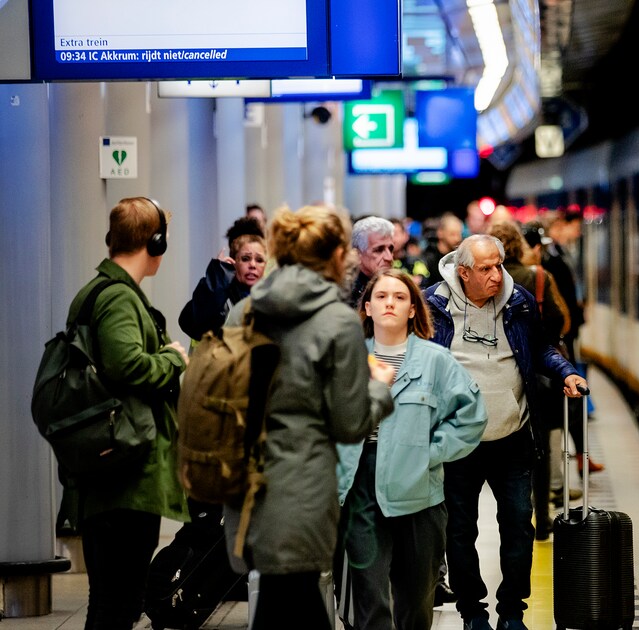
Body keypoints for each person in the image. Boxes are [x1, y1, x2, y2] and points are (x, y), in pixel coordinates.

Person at [224, 204, 396, 630]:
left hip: (245, 481)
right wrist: (379, 385)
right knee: (299, 601)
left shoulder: (244, 311)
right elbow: (350, 423)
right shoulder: (337, 321)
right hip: (304, 483)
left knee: (275, 601)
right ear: (337, 256)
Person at [425, 235, 586, 630]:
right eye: (486, 269)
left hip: (512, 435)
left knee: (518, 524)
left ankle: (512, 611)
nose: (497, 275)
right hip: (456, 440)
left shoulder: (519, 302)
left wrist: (566, 371)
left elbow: (541, 349)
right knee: (460, 531)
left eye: (498, 265)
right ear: (463, 272)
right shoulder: (433, 305)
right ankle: (473, 612)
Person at [58, 197, 190, 629]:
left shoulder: (102, 291)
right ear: (156, 243)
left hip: (110, 466)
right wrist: (173, 360)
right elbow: (125, 365)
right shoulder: (117, 298)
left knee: (112, 599)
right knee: (118, 602)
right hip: (123, 474)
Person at [337, 270, 487, 630]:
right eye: (382, 296)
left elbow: (472, 418)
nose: (390, 302)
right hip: (361, 488)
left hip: (419, 493)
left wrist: (429, 453)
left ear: (412, 310)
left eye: (400, 297)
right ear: (368, 308)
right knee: (368, 597)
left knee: (417, 598)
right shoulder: (350, 359)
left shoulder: (436, 361)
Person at [487, 221, 574, 539]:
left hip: (503, 381)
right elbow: (560, 319)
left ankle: (513, 515)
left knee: (509, 456)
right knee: (542, 448)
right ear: (519, 245)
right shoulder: (537, 277)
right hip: (539, 377)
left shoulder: (483, 285)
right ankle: (543, 516)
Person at [542, 211, 603, 473]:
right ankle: (577, 460)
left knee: (573, 393)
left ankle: (579, 458)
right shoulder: (551, 259)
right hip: (559, 339)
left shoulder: (558, 255)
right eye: (573, 227)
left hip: (565, 334)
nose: (577, 233)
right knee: (569, 400)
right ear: (557, 227)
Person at [178, 217, 267, 341]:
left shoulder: (271, 300)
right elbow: (193, 323)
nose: (252, 265)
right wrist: (218, 276)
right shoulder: (220, 297)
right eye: (245, 259)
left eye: (259, 260)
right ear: (233, 262)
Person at [347, 216, 396, 307]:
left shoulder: (399, 286)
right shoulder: (346, 293)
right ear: (357, 254)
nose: (389, 258)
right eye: (378, 250)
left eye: (391, 249)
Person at [421, 213, 465, 287]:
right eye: (452, 234)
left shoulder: (461, 257)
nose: (458, 238)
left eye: (459, 234)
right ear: (440, 233)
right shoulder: (427, 258)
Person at [390, 217, 431, 282]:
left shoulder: (415, 261)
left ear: (405, 236)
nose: (393, 239)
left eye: (396, 234)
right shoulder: (381, 262)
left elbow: (423, 280)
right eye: (389, 234)